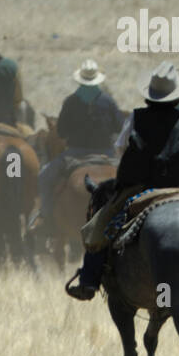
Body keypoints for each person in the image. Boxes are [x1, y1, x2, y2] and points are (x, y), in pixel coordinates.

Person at [65, 62, 179, 300]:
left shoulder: (136, 117)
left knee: (101, 222)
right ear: (175, 96)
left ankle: (89, 280)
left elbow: (120, 147)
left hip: (138, 188)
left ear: (150, 94)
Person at [33, 59, 124, 229]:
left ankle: (45, 217)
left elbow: (61, 131)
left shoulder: (71, 101)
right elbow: (119, 127)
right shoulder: (108, 101)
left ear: (80, 79)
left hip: (74, 155)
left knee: (44, 178)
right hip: (107, 155)